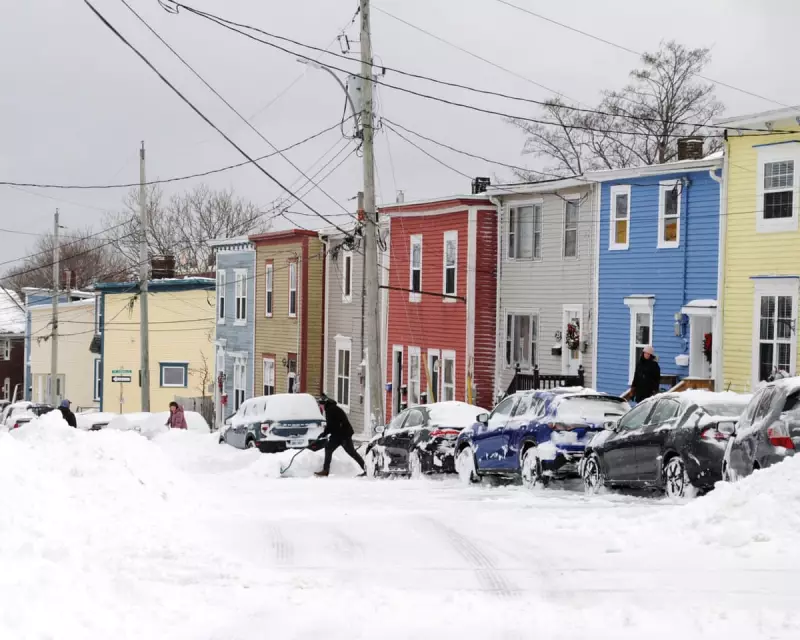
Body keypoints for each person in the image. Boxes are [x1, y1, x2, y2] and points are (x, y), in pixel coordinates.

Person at [315, 396, 366, 477]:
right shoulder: (331, 408)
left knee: (351, 452)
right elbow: (332, 425)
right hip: (339, 434)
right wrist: (325, 434)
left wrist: (324, 434)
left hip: (343, 434)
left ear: (323, 404)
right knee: (329, 448)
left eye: (320, 405)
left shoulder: (330, 410)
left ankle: (367, 469)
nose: (320, 407)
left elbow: (331, 425)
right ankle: (325, 470)